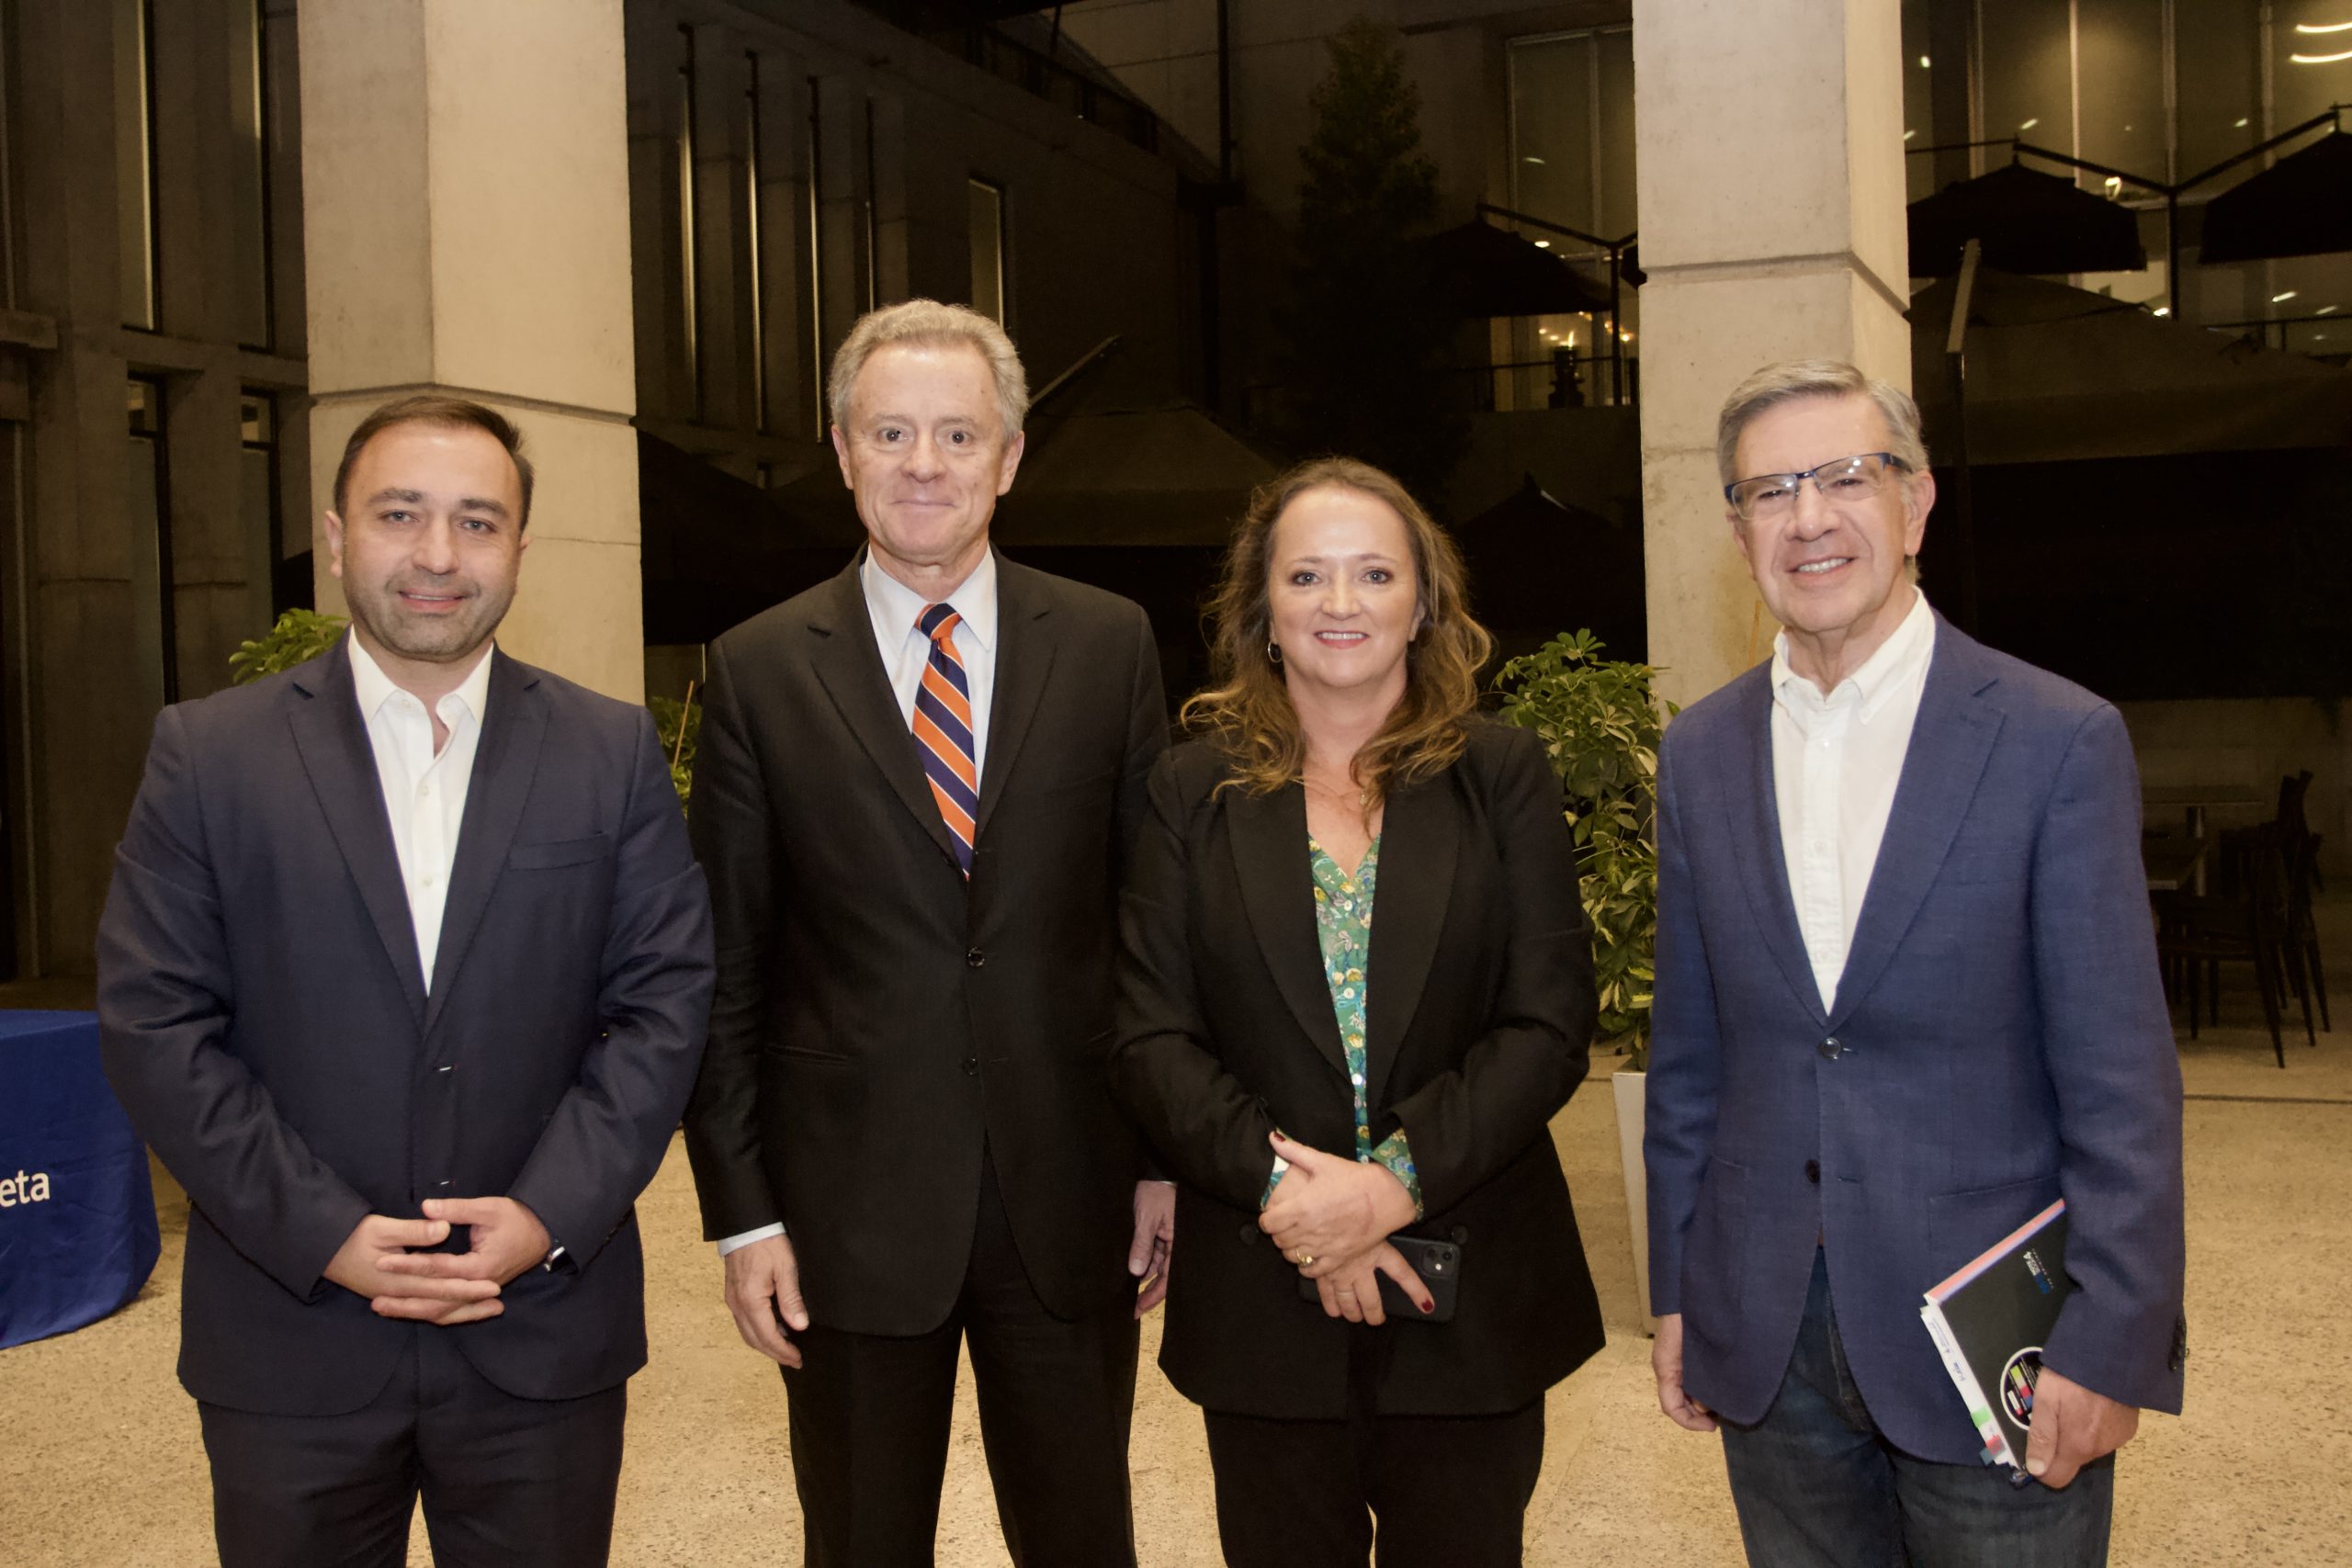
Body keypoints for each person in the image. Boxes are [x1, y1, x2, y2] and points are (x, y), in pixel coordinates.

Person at [95, 395, 716, 1568]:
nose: (439, 555)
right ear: (336, 537)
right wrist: (324, 1231)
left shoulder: (611, 752)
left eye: (478, 522)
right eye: (401, 515)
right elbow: (154, 1024)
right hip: (294, 1336)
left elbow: (663, 1008)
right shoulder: (208, 756)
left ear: (521, 550)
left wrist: (543, 1218)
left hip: (540, 1331)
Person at [1645, 359, 2187, 1566]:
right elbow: (1690, 1057)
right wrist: (1678, 1285)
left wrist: (2112, 1339)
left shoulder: (2057, 740)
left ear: (1917, 501)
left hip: (1998, 1334)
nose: (1810, 515)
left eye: (1847, 475)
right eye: (1771, 489)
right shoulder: (1700, 752)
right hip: (1768, 1324)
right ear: (1739, 532)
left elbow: (2122, 1085)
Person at [681, 299, 1171, 1567]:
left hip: (1067, 1192)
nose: (925, 464)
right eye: (891, 431)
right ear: (843, 450)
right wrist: (742, 1216)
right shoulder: (756, 667)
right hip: (843, 1208)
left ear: (1009, 458)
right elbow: (723, 968)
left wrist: (1164, 1159)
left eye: (960, 433)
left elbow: (1149, 929)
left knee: (1082, 1536)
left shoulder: (1111, 645)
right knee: (860, 1539)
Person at [1110, 457, 1606, 1567]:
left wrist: (1387, 1188)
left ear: (1423, 603)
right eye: (1308, 576)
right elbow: (1150, 1033)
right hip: (1261, 1288)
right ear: (1262, 610)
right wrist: (1300, 1198)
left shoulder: (1503, 773)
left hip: (1469, 1288)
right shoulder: (1189, 791)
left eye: (1374, 573)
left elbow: (1545, 1022)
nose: (1341, 604)